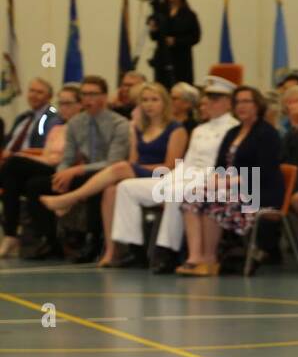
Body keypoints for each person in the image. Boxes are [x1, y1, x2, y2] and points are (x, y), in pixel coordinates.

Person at [39, 81, 187, 267]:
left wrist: (134, 169)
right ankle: (113, 251)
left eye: (154, 100)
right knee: (110, 190)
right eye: (145, 100)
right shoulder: (138, 129)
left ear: (164, 103)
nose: (149, 104)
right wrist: (132, 169)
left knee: (120, 167)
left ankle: (70, 199)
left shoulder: (176, 129)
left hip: (165, 176)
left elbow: (170, 165)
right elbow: (133, 161)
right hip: (138, 176)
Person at [108, 74, 238, 272]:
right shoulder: (200, 130)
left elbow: (223, 166)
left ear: (228, 103)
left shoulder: (234, 128)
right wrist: (170, 179)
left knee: (177, 193)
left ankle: (166, 251)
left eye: (215, 99)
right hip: (185, 175)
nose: (207, 104)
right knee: (126, 187)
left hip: (210, 181)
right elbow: (187, 163)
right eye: (207, 99)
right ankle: (133, 248)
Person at [21, 75, 130, 261]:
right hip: (81, 171)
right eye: (84, 94)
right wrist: (61, 174)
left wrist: (76, 170)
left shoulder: (119, 124)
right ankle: (51, 240)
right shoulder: (75, 123)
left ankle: (94, 241)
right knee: (35, 185)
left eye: (93, 94)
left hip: (108, 172)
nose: (88, 99)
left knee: (97, 184)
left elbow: (113, 161)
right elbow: (68, 158)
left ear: (104, 96)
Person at [176, 85, 283, 275]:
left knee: (214, 200)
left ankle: (210, 259)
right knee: (191, 195)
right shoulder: (232, 132)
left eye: (246, 101)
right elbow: (219, 167)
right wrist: (212, 182)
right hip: (230, 188)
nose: (241, 106)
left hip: (258, 191)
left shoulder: (267, 134)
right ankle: (195, 257)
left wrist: (224, 183)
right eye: (237, 102)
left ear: (258, 104)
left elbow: (262, 172)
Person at [0, 84, 77, 258]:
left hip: (62, 168)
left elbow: (63, 156)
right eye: (61, 103)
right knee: (21, 180)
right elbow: (45, 154)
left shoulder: (54, 120)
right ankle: (14, 234)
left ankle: (11, 233)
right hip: (41, 165)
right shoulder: (51, 127)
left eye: (68, 103)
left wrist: (22, 156)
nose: (63, 108)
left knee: (12, 166)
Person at [147, 0, 201, 88]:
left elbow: (195, 37)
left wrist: (176, 41)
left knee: (181, 87)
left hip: (181, 59)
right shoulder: (160, 11)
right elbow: (154, 37)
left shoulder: (189, 14)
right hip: (162, 57)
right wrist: (153, 29)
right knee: (161, 88)